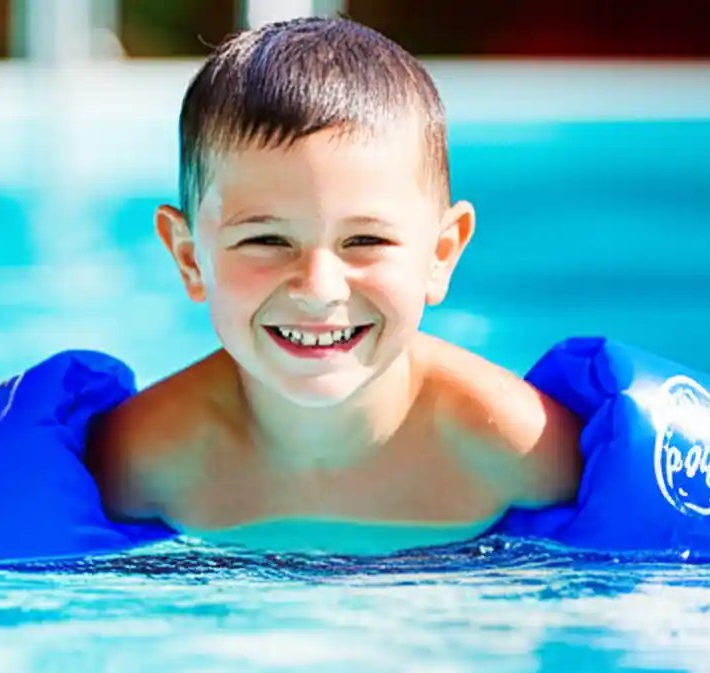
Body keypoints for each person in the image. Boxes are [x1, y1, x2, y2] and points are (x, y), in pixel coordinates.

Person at [85, 17, 583, 555]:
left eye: (365, 240)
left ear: (440, 254)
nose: (319, 289)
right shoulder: (141, 464)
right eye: (267, 241)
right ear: (188, 258)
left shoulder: (515, 446)